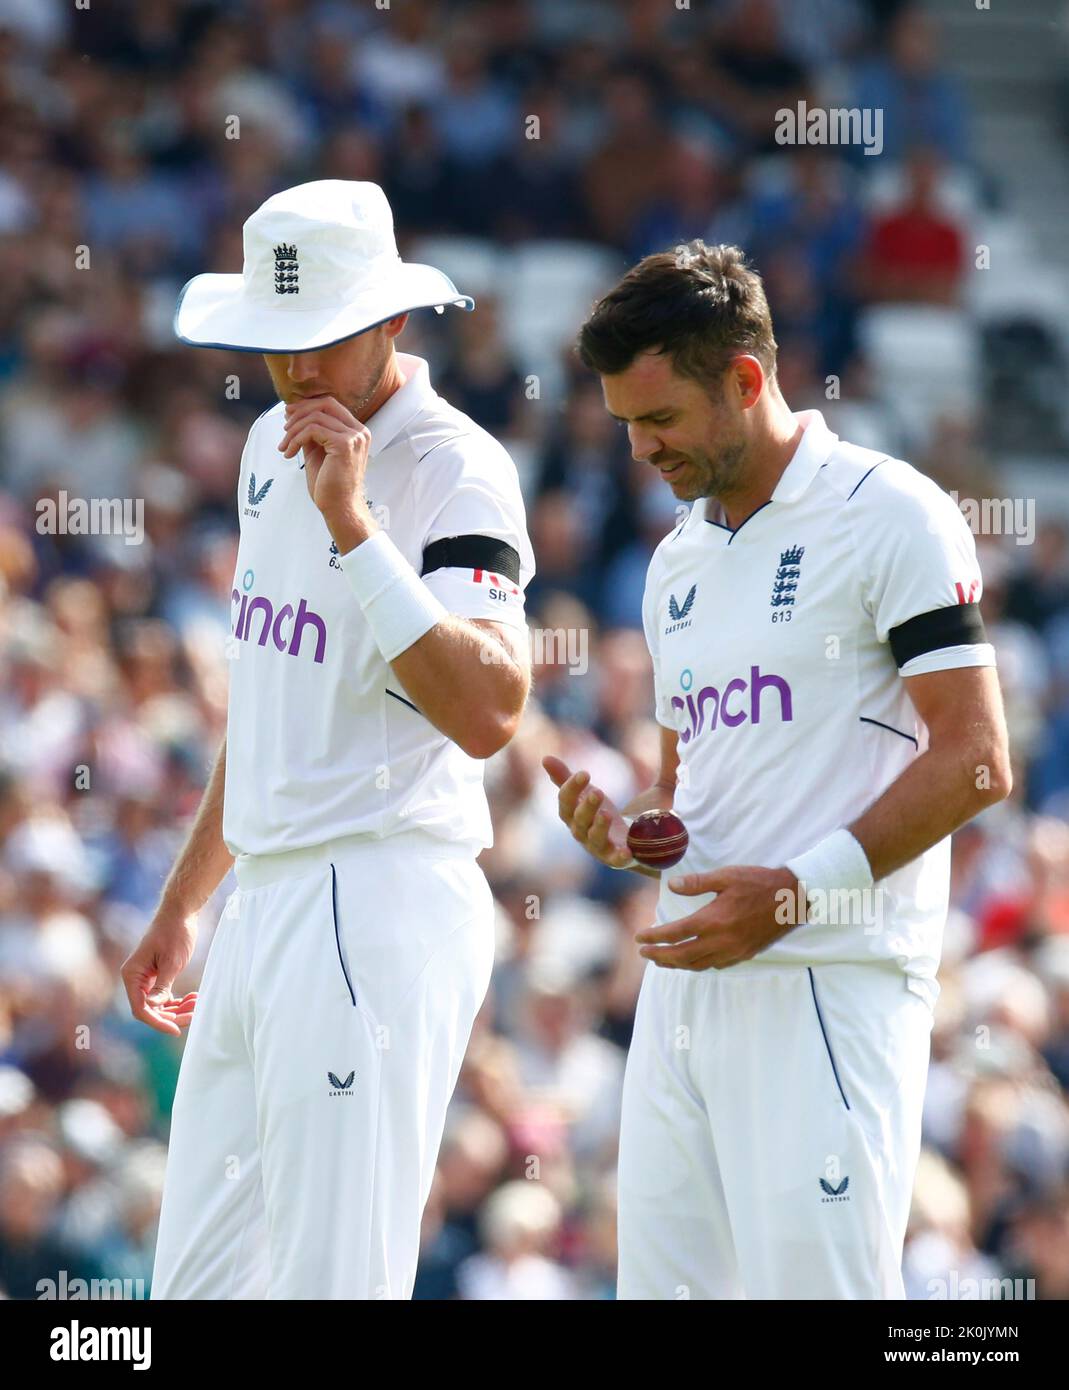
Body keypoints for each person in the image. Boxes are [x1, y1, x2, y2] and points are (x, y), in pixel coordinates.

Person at [544, 240, 1011, 1299]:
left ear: (745, 380)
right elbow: (688, 786)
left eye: (658, 420)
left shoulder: (890, 510)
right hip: (684, 992)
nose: (639, 449)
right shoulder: (675, 560)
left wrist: (799, 893)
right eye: (624, 423)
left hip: (828, 981)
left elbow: (978, 762)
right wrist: (633, 833)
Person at [122, 180, 535, 1300]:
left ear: (393, 322)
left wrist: (356, 528)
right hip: (265, 898)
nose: (296, 372)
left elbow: (491, 709)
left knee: (333, 1285)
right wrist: (186, 898)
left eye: (320, 341)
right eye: (276, 345)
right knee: (193, 1291)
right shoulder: (267, 443)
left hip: (381, 891)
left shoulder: (457, 466)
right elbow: (271, 702)